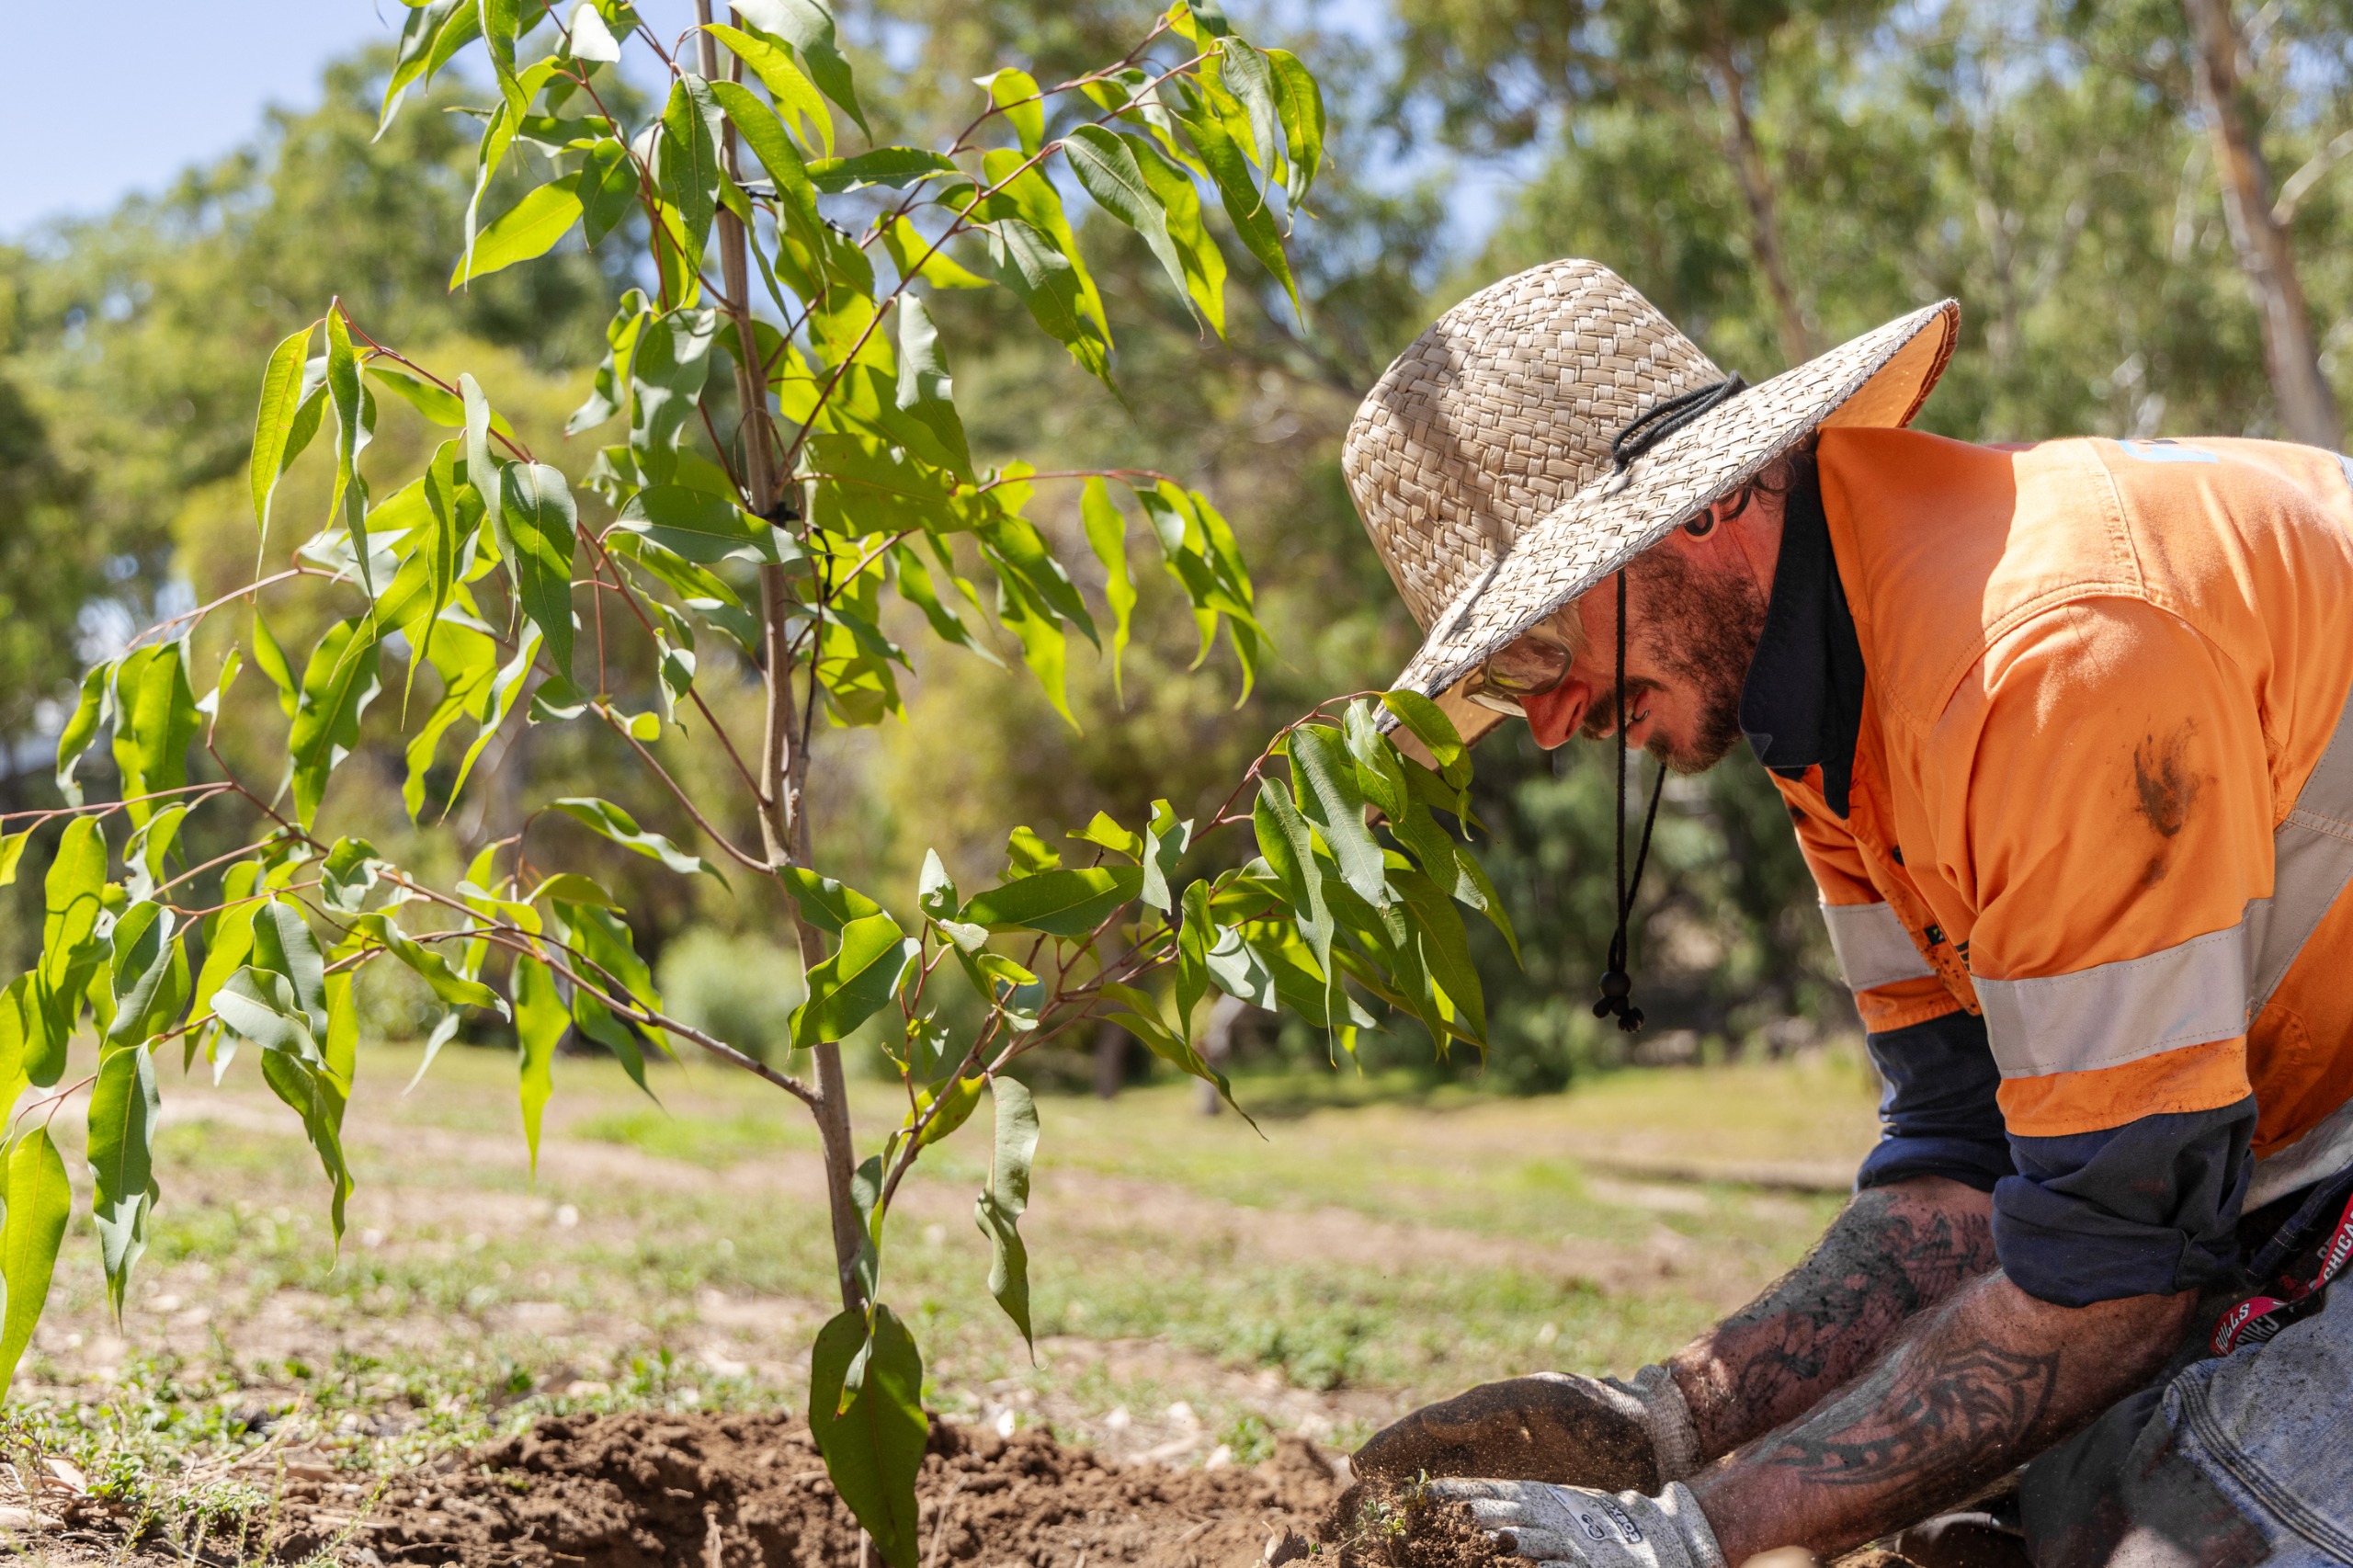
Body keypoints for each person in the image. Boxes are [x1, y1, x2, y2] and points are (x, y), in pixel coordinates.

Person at [1336, 259, 2353, 1568]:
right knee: (2023, 1498)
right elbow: (1964, 1160)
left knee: (2200, 1525)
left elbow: (2123, 1265)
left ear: (1702, 509)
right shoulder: (1830, 711)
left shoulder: (2038, 662)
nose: (1546, 720)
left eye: (1544, 645)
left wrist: (1696, 1532)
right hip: (2300, 1137)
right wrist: (1665, 1421)